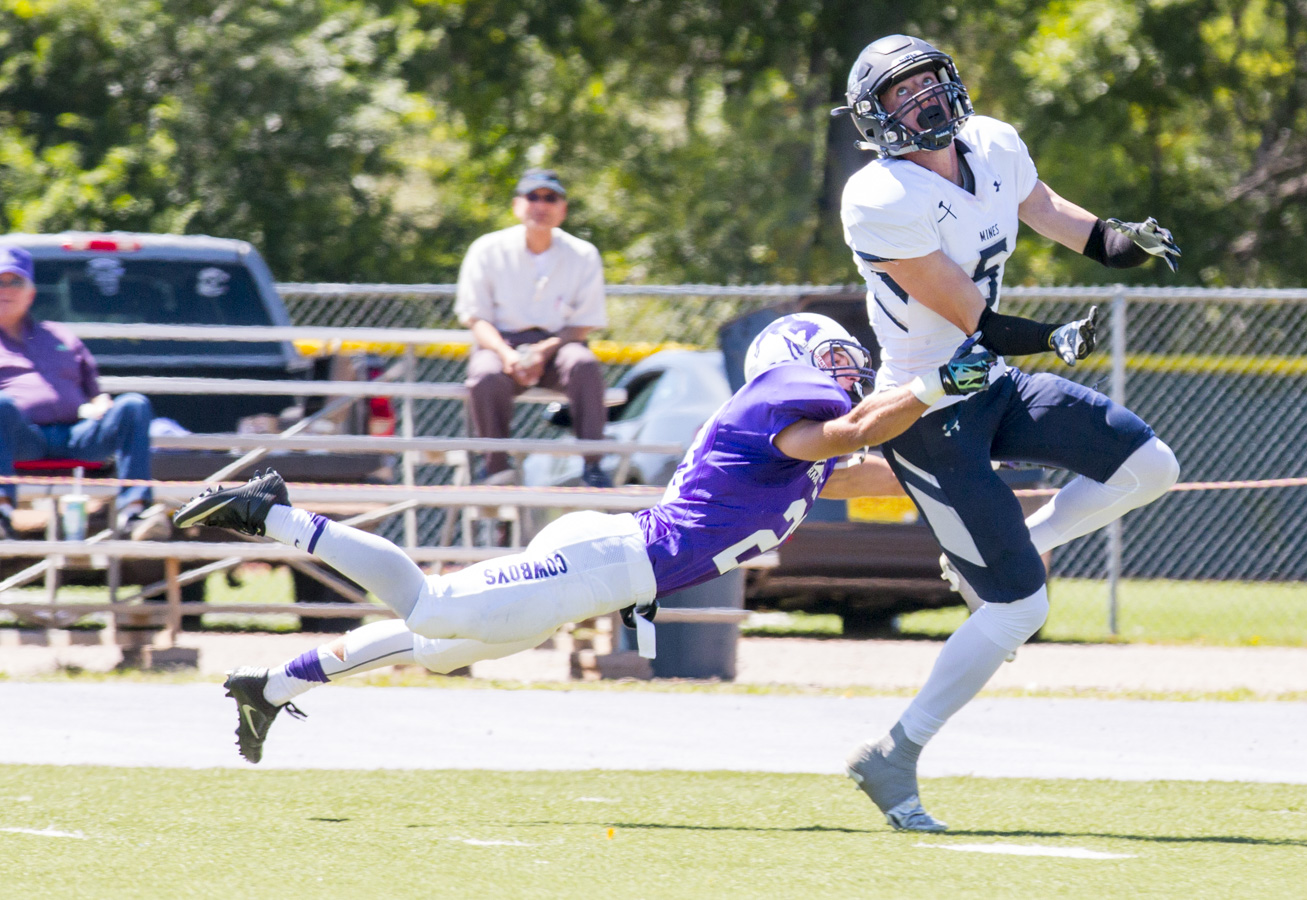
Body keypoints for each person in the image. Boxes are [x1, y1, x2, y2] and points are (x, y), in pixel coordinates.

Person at [174, 314, 995, 765]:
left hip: (616, 562)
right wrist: (934, 386)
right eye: (836, 356)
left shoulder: (809, 444)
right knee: (432, 602)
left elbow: (874, 470)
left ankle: (272, 685)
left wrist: (990, 453)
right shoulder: (794, 399)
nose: (849, 368)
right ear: (795, 361)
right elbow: (855, 436)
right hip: (613, 560)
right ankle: (271, 511)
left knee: (445, 648)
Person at [833, 35, 1184, 832]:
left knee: (1149, 463)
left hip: (987, 384)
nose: (922, 99)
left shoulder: (992, 142)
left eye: (928, 82)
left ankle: (1012, 547)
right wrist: (1056, 336)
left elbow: (1054, 214)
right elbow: (976, 319)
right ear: (873, 118)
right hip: (924, 406)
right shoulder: (879, 195)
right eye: (901, 93)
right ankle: (893, 754)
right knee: (1021, 608)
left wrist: (1121, 245)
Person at [0, 245, 169, 541]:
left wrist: (100, 406)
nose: (6, 290)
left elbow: (96, 394)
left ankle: (136, 514)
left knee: (133, 404)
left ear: (31, 293)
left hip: (79, 435)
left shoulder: (62, 337)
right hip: (22, 440)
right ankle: (0, 513)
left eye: (16, 281)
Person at [456, 168, 613, 487]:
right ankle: (496, 466)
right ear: (517, 205)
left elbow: (581, 325)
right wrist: (506, 354)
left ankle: (593, 465)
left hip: (559, 345)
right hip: (500, 343)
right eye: (533, 197)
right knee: (485, 377)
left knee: (584, 366)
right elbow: (476, 318)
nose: (541, 205)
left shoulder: (583, 254)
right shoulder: (486, 249)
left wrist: (543, 351)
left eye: (550, 197)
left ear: (563, 209)